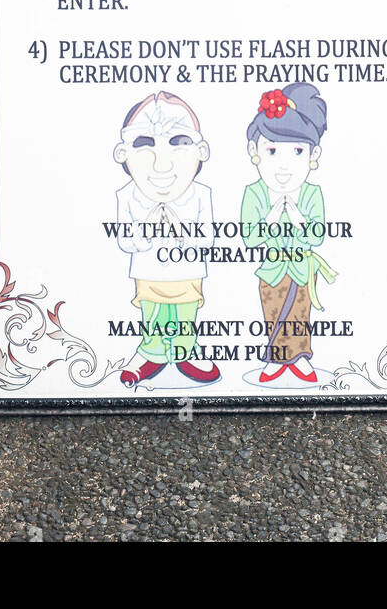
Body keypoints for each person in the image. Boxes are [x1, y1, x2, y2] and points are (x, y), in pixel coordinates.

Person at [114, 91, 221, 387]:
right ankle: (153, 351)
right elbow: (126, 240)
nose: (162, 164)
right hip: (147, 271)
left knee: (186, 310)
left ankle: (185, 349)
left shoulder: (201, 194)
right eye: (144, 144)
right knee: (152, 310)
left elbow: (207, 240)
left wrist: (182, 232)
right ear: (123, 154)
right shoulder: (128, 196)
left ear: (201, 151)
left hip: (188, 271)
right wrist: (147, 228)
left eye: (180, 143)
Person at [240, 83, 337, 384]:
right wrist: (271, 217)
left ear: (312, 155)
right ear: (254, 152)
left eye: (297, 151)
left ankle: (300, 359)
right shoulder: (254, 193)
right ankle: (275, 359)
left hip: (303, 267)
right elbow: (250, 237)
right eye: (272, 150)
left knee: (300, 314)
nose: (284, 165)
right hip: (271, 268)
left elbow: (318, 235)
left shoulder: (311, 193)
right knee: (273, 312)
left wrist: (297, 217)